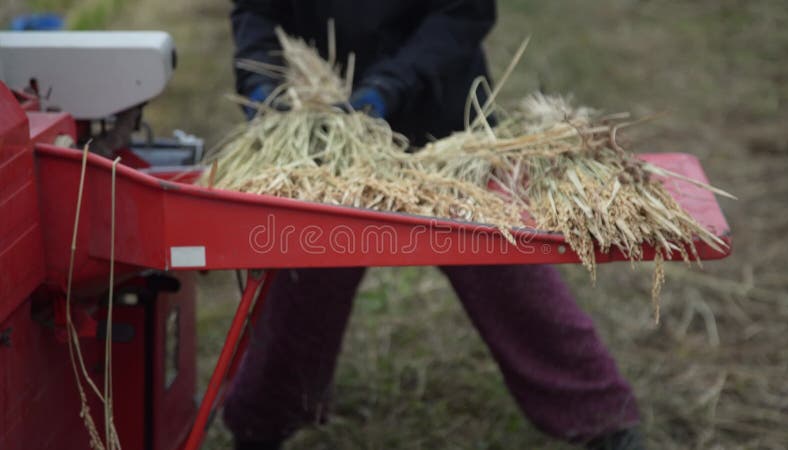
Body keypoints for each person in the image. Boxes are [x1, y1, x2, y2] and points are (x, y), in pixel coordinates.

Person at [224, 1, 645, 449]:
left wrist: (392, 84)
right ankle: (260, 424)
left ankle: (603, 420)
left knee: (502, 266)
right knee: (308, 269)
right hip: (329, 137)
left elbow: (466, 12)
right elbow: (256, 10)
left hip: (445, 129)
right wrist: (259, 82)